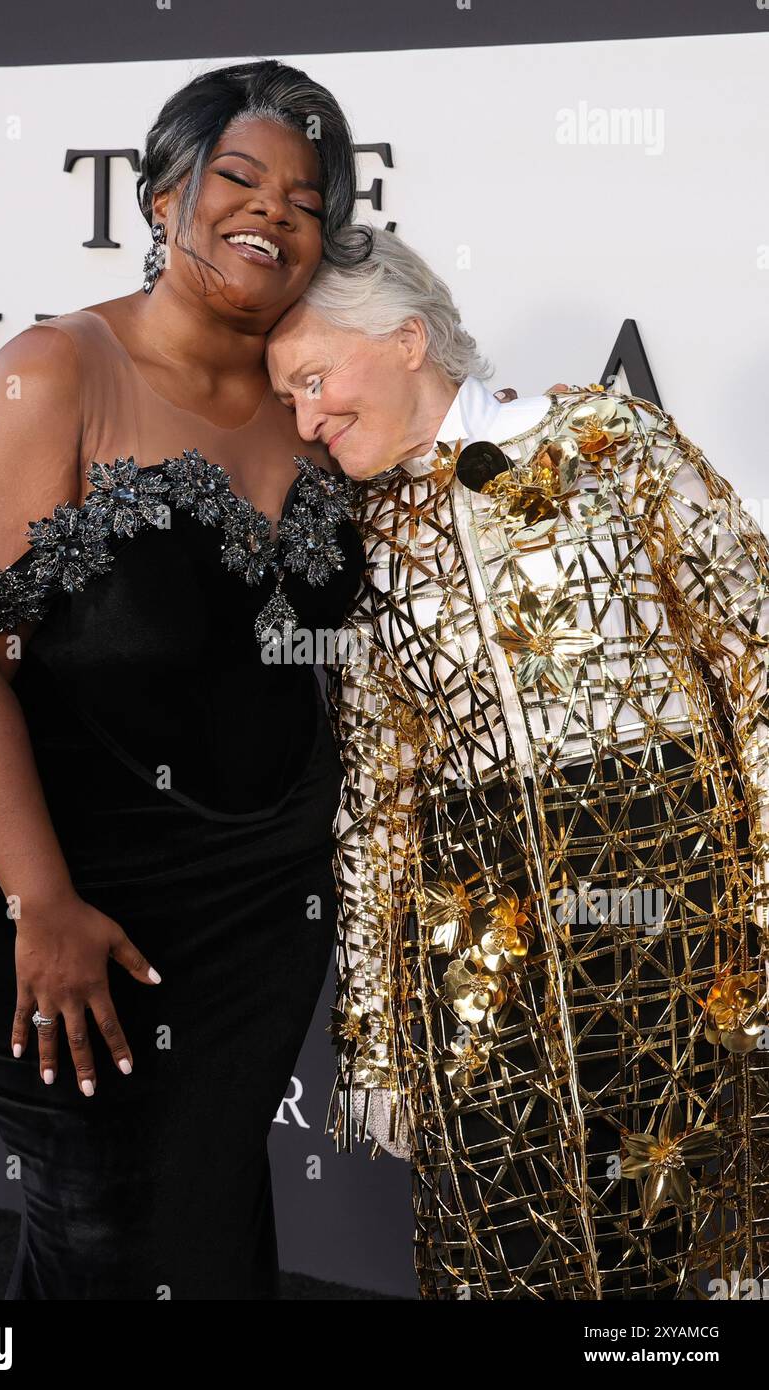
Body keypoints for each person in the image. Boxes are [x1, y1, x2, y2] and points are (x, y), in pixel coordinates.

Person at [0, 60, 369, 1301]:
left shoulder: (312, 394)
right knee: (108, 1243)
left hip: (262, 908)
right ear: (164, 193)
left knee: (200, 1235)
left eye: (309, 197)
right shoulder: (57, 374)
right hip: (68, 901)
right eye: (238, 175)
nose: (273, 210)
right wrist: (38, 906)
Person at [266, 227, 769, 1299]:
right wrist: (373, 1046)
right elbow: (376, 796)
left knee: (692, 1231)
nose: (305, 418)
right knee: (513, 1238)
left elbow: (753, 657)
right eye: (288, 399)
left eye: (314, 380)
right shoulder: (354, 539)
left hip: (671, 894)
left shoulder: (606, 438)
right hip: (477, 936)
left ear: (406, 339)